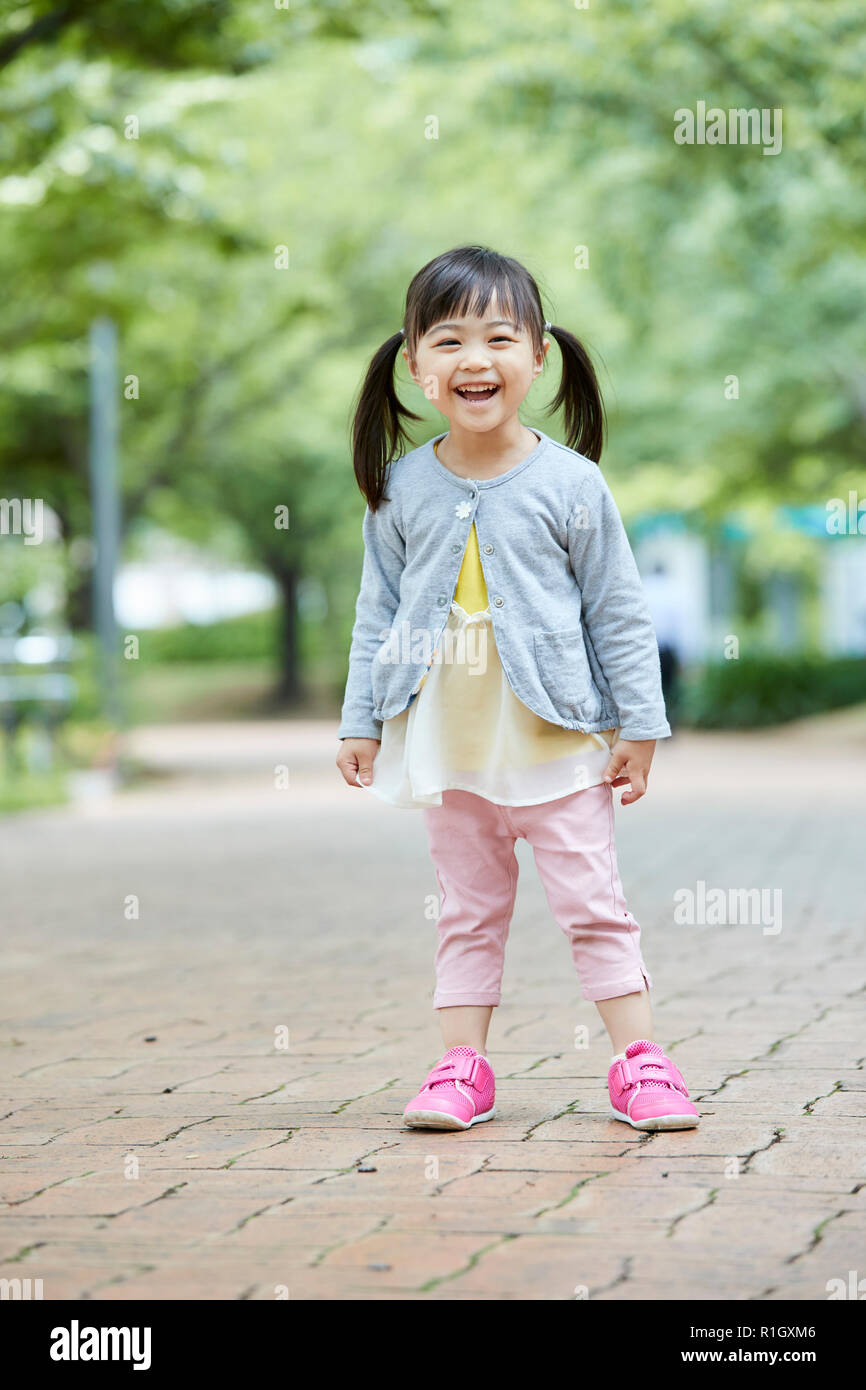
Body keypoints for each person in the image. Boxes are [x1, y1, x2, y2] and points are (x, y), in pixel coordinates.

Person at [336, 245, 698, 1133]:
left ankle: (640, 1061)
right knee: (467, 910)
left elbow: (618, 610)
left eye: (500, 337)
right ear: (414, 364)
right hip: (452, 750)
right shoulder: (402, 488)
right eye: (449, 339)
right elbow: (375, 612)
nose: (475, 359)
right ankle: (463, 1066)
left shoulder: (571, 483)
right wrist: (362, 722)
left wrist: (639, 726)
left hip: (559, 745)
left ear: (538, 357)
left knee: (592, 905)